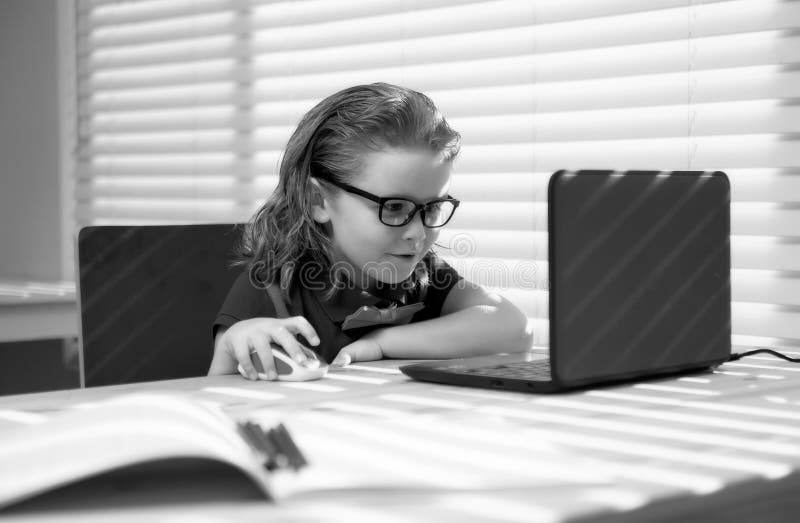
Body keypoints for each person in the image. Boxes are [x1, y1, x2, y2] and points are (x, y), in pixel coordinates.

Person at [208, 82, 532, 380]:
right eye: (394, 207)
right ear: (316, 200)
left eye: (432, 207)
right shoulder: (273, 289)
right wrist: (231, 345)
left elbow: (514, 327)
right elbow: (207, 400)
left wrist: (381, 343)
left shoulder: (420, 275)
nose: (418, 234)